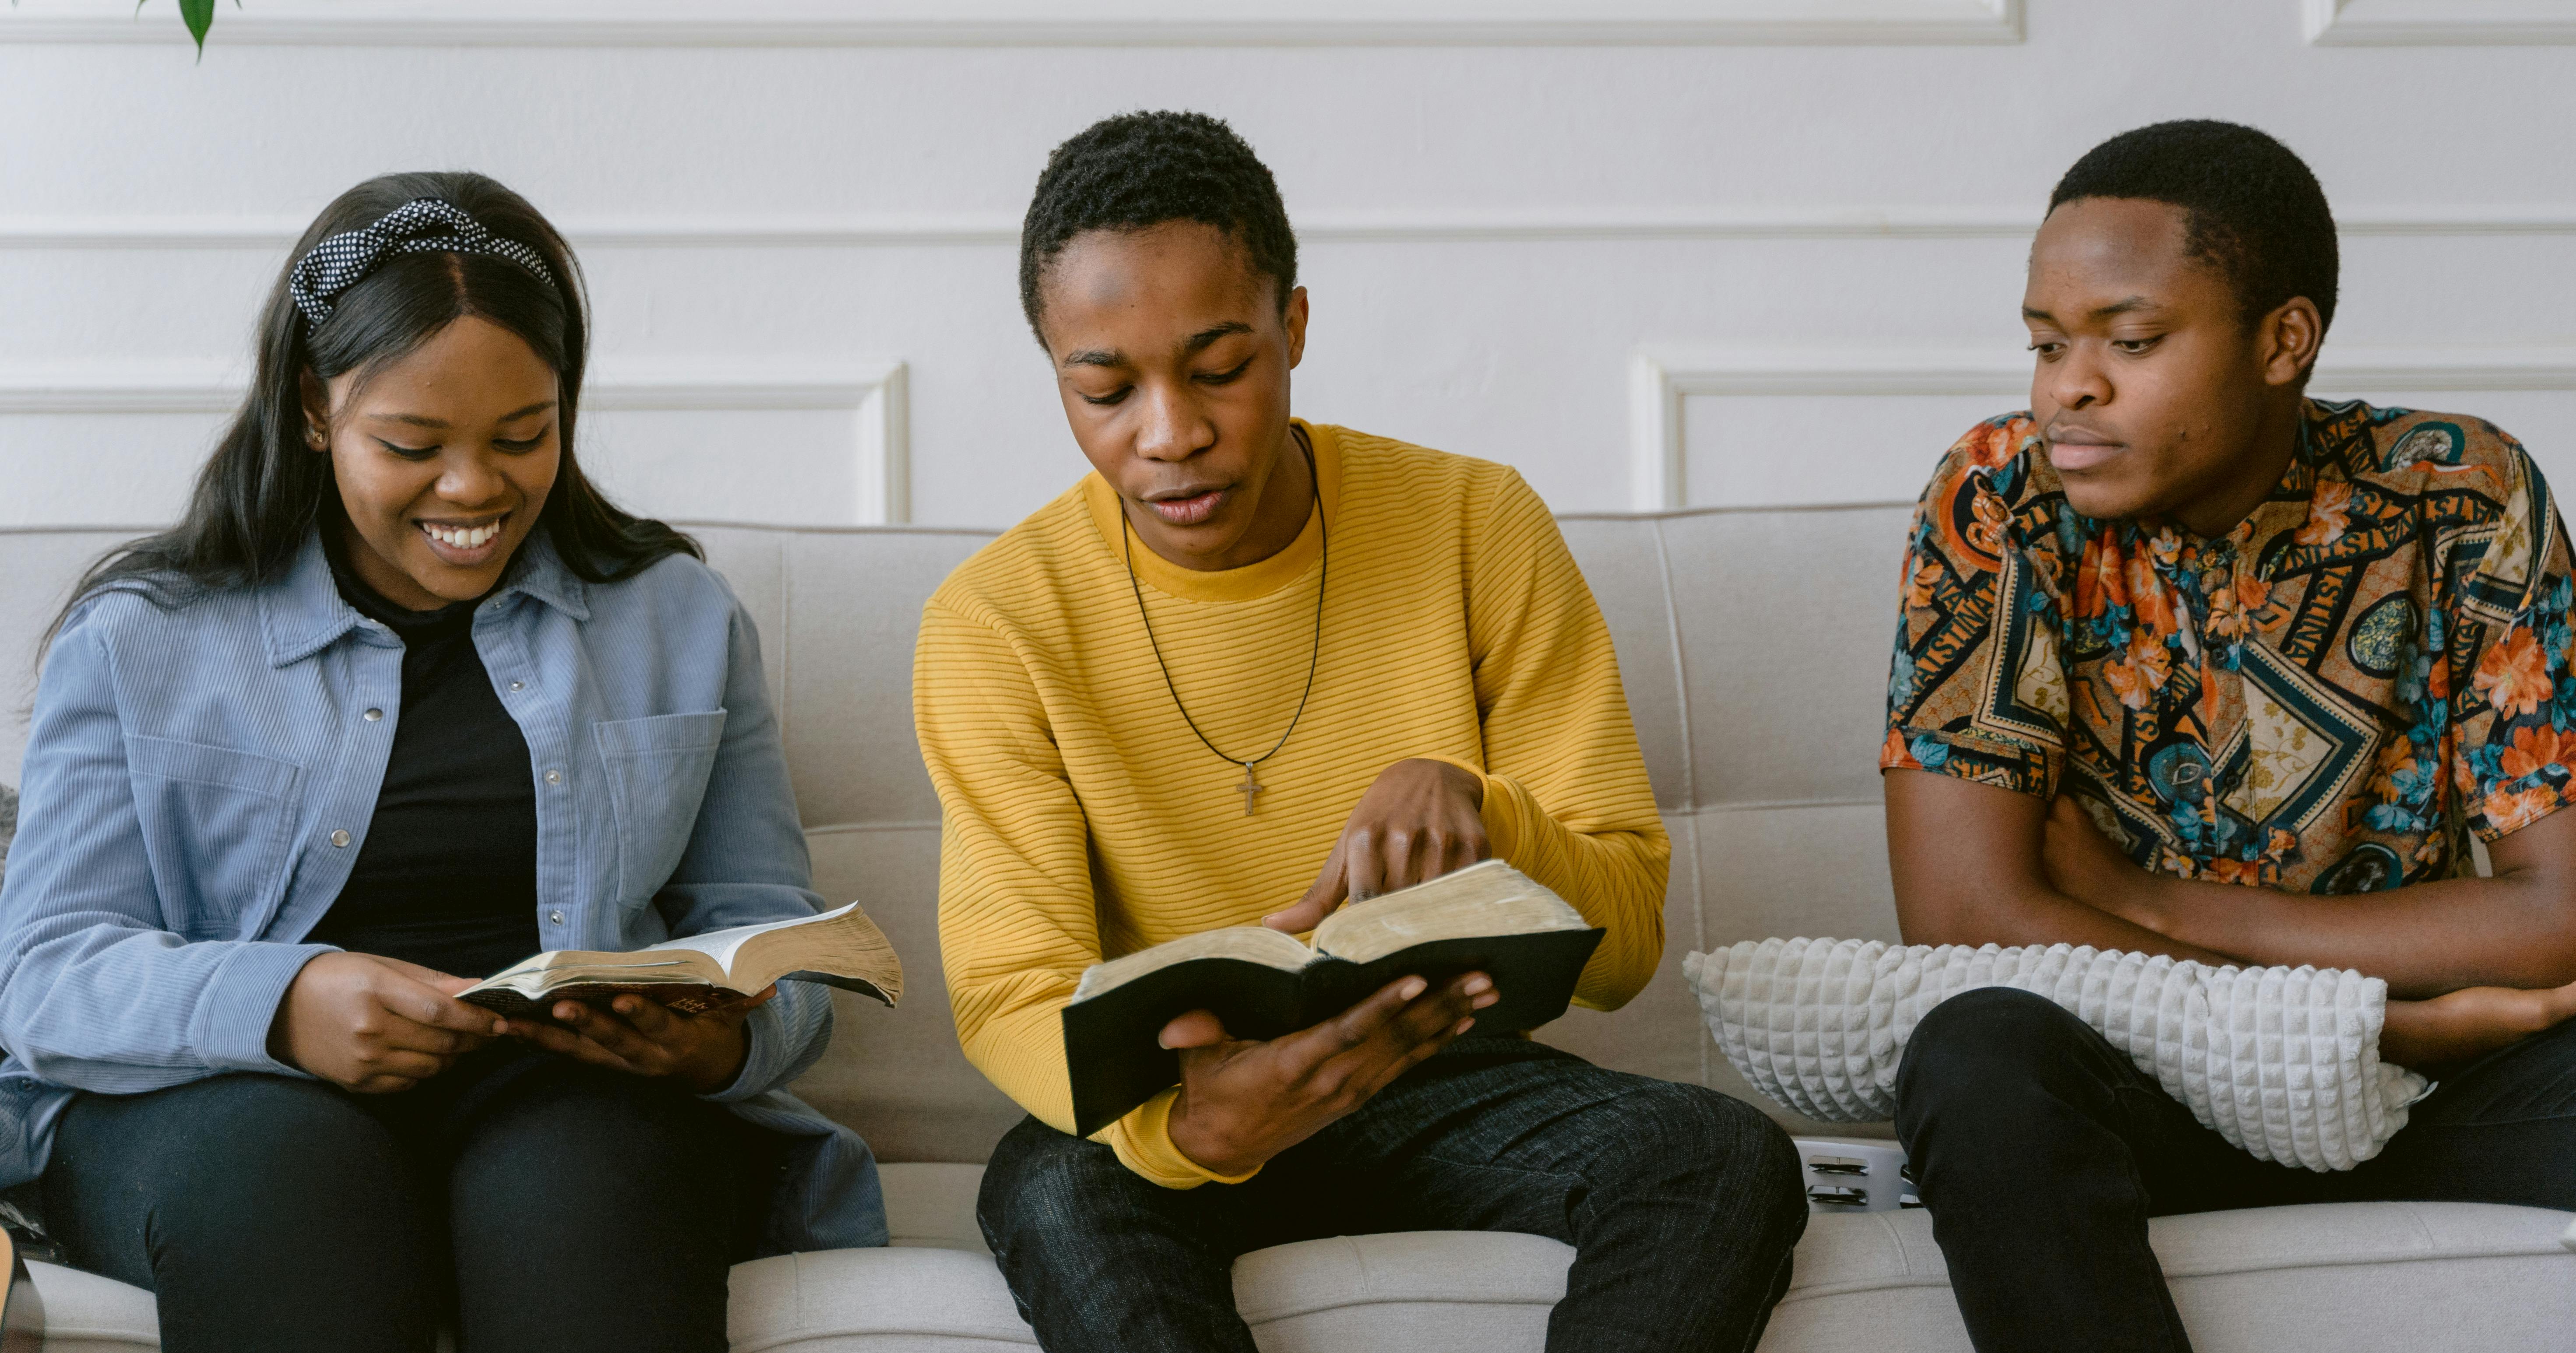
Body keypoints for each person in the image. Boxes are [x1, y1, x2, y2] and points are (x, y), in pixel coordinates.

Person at [915, 111, 1805, 1352]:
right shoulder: (996, 619)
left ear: (1293, 327)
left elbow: (1625, 946)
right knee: (1051, 1186)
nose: (1166, 432)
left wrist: (1479, 806)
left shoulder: (1473, 521)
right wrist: (1184, 1127)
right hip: (1185, 1100)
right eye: (1105, 387)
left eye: (1219, 365)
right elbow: (1010, 988)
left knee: (1713, 1153)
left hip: (1442, 1074)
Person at [0, 176, 884, 1353]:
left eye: (524, 435)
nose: (475, 488)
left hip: (556, 1095)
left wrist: (722, 1035)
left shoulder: (675, 618)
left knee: (583, 1191)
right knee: (291, 1182)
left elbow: (769, 925)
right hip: (225, 1105)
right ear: (315, 409)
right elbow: (46, 972)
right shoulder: (145, 637)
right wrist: (288, 1004)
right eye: (412, 444)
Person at [1880, 119, 2576, 1353]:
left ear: (2281, 340)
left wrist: (2155, 900)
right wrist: (2373, 1012)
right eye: (2046, 343)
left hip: (2431, 1089)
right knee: (1976, 1051)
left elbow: (2554, 915)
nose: (2067, 386)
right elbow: (1965, 915)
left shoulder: (2460, 494)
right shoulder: (2000, 498)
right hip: (2155, 1083)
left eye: (2129, 340)